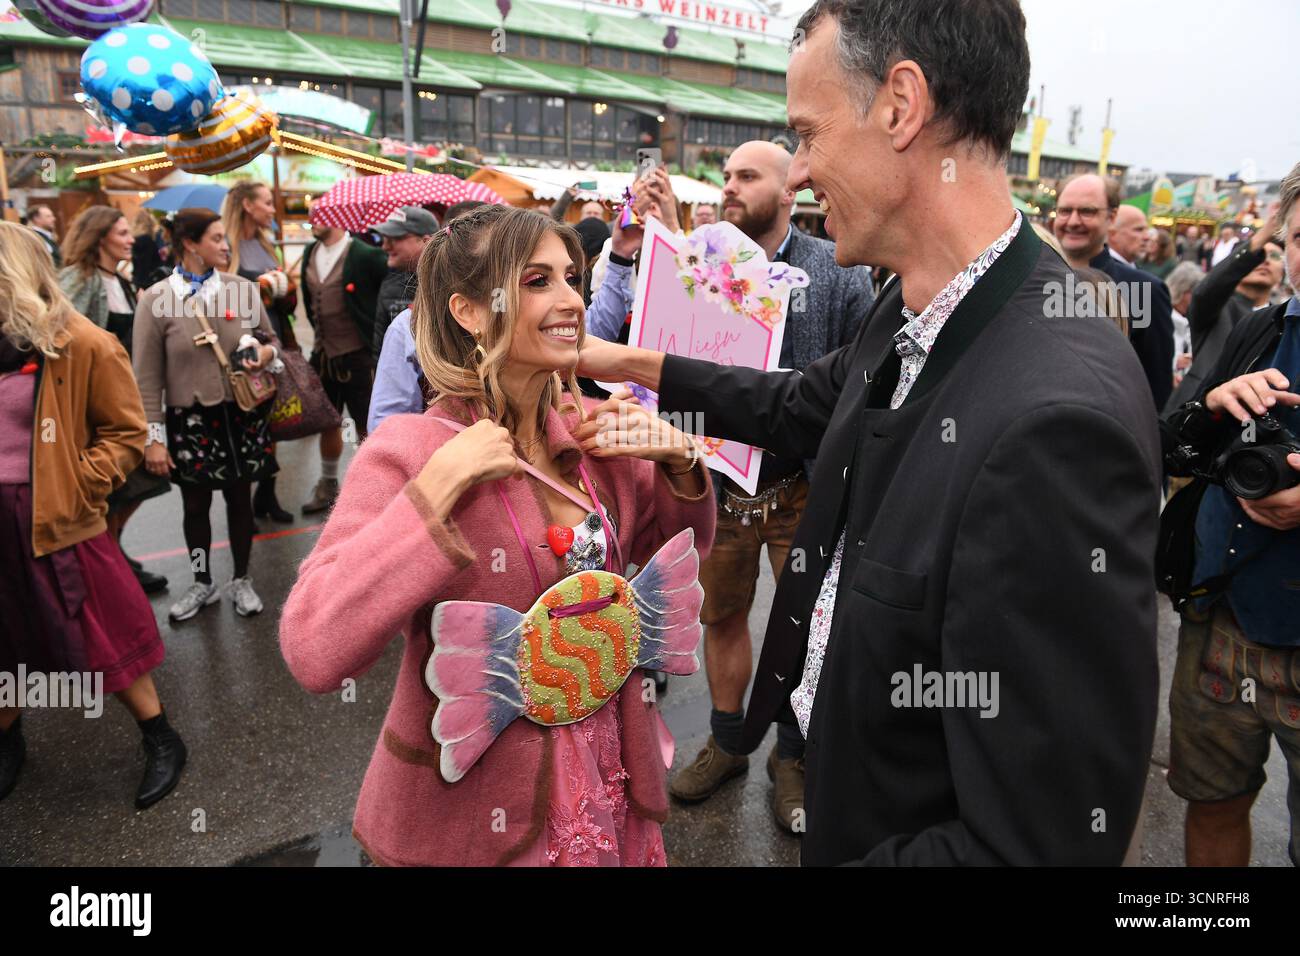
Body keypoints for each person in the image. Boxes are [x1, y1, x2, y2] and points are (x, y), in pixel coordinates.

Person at [578, 0, 1161, 865]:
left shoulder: (1055, 422)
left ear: (901, 105)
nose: (801, 172)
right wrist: (626, 363)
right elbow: (797, 405)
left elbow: (1034, 844)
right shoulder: (910, 299)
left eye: (807, 135)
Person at [280, 204, 715, 866]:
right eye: (537, 281)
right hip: (472, 812)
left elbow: (678, 563)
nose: (571, 299)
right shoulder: (410, 449)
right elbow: (314, 648)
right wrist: (430, 497)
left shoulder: (600, 429)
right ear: (470, 311)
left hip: (609, 781)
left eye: (573, 277)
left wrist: (683, 469)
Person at [621, 140, 873, 833]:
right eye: (727, 175)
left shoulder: (838, 270)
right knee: (721, 616)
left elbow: (861, 385)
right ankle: (730, 741)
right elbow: (663, 341)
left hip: (805, 483)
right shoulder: (698, 259)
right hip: (722, 484)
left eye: (747, 176)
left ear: (790, 190)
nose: (730, 186)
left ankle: (791, 754)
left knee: (806, 624)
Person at [0, 222, 186, 809]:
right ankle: (9, 740)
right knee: (5, 637)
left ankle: (161, 737)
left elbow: (127, 432)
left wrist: (79, 483)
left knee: (100, 634)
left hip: (57, 520)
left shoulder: (79, 342)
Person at [1161, 160, 1300, 866]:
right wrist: (1213, 409)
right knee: (1213, 803)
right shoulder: (1262, 329)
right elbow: (1174, 448)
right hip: (1220, 619)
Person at [133, 208, 284, 621]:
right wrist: (154, 439)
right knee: (195, 506)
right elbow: (146, 378)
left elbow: (274, 344)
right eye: (216, 238)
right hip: (191, 420)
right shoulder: (156, 300)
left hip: (242, 414)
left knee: (240, 501)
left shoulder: (242, 289)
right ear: (189, 244)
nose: (224, 245)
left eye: (224, 238)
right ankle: (202, 581)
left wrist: (263, 354)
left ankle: (240, 578)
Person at [58, 205, 170, 595]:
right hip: (92, 406)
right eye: (122, 233)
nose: (131, 240)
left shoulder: (119, 281)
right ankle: (107, 566)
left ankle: (112, 551)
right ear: (100, 236)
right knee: (111, 486)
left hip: (124, 399)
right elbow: (61, 337)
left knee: (138, 483)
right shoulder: (79, 279)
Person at [1054, 172, 1176, 410]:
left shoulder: (1144, 290)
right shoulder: (1030, 278)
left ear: (1112, 217)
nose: (1073, 221)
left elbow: (1156, 389)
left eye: (1087, 211)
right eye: (1065, 210)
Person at [369, 202, 491, 433]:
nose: (385, 245)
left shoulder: (515, 312)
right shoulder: (404, 317)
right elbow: (388, 419)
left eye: (395, 237)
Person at [297, 217, 388, 515]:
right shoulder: (310, 252)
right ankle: (327, 484)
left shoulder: (364, 254)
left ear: (335, 219)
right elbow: (312, 304)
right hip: (324, 354)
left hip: (357, 355)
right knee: (328, 421)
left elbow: (382, 297)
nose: (312, 220)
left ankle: (372, 489)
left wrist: (372, 340)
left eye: (319, 214)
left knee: (366, 424)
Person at [223, 180, 299, 525]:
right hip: (241, 341)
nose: (272, 209)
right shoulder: (227, 245)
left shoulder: (266, 244)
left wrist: (283, 288)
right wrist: (261, 288)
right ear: (247, 206)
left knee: (273, 416)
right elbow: (221, 296)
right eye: (267, 203)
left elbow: (284, 294)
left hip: (275, 335)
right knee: (245, 414)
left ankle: (265, 495)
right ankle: (243, 503)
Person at [1166, 207, 1286, 413]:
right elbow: (1206, 291)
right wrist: (1265, 233)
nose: (1264, 260)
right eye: (1259, 254)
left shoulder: (1285, 320)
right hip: (1197, 420)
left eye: (1274, 256)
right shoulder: (1217, 308)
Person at [371, 205, 438, 353]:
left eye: (394, 238)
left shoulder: (450, 282)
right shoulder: (390, 282)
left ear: (425, 241)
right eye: (384, 238)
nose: (385, 246)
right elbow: (380, 347)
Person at [1165, 261, 1204, 390]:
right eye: (1195, 293)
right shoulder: (1164, 316)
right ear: (1183, 290)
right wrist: (1176, 362)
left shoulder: (1190, 318)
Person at [130, 209, 170, 293]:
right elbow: (148, 263)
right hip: (150, 281)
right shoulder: (147, 239)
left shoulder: (133, 240)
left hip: (138, 279)